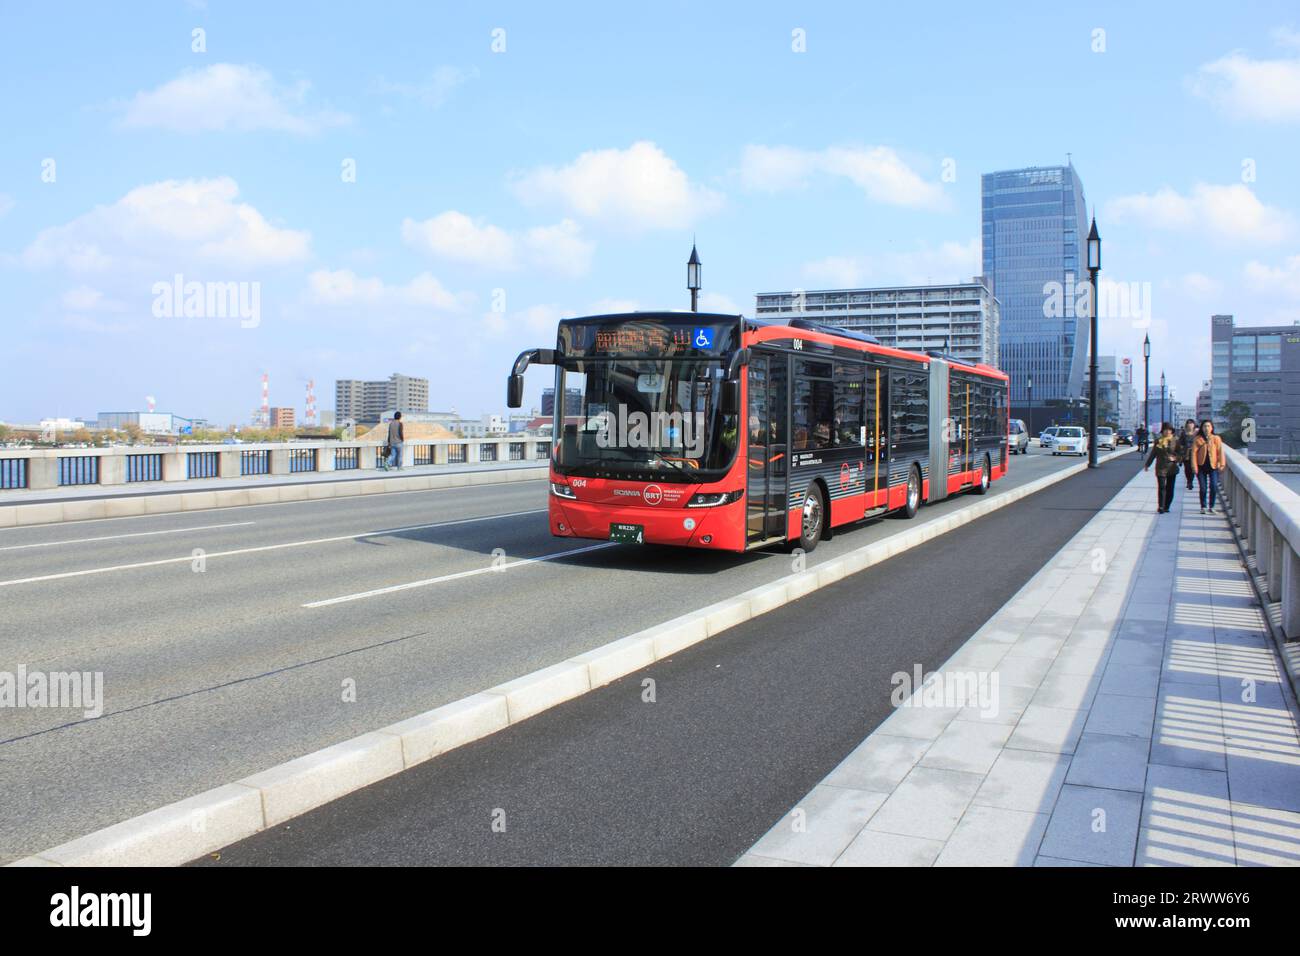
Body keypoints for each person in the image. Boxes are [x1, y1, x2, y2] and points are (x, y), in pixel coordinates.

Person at [1143, 422, 1180, 514]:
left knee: (1170, 488)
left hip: (1172, 467)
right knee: (1162, 487)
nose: (1167, 432)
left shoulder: (1176, 440)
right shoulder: (1158, 441)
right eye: (1165, 430)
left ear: (1172, 431)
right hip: (1161, 467)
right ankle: (1161, 506)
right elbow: (1153, 454)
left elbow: (1180, 453)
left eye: (1169, 430)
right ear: (1162, 431)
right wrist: (1147, 464)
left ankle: (1167, 506)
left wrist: (1175, 458)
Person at [1191, 418, 1225, 514]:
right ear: (1202, 428)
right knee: (1203, 487)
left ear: (1212, 428)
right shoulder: (1197, 439)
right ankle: (1203, 506)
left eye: (1208, 426)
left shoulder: (1216, 438)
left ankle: (1212, 506)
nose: (1206, 428)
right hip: (1201, 466)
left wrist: (1222, 464)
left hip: (1213, 466)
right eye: (1205, 426)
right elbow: (1193, 453)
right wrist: (1194, 467)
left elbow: (1220, 452)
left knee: (1213, 486)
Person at [1176, 419, 1198, 491]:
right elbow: (1181, 443)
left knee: (1192, 468)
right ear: (1186, 425)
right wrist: (1180, 452)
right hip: (1186, 453)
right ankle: (1188, 481)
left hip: (1194, 453)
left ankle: (1190, 481)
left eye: (1191, 423)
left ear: (1194, 425)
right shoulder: (1184, 433)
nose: (1190, 425)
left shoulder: (1197, 433)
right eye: (1189, 424)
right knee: (1187, 468)